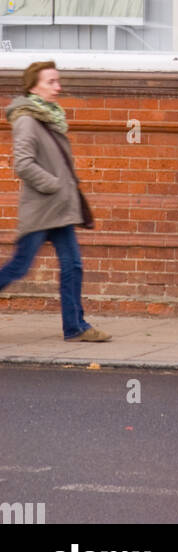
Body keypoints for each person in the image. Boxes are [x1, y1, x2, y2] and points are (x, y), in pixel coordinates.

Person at [0, 61, 110, 342]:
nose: (58, 87)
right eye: (51, 82)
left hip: (59, 210)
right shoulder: (27, 119)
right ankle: (75, 326)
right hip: (41, 210)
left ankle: (75, 327)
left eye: (58, 81)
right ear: (33, 86)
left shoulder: (48, 117)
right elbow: (23, 164)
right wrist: (55, 184)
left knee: (72, 265)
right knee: (19, 268)